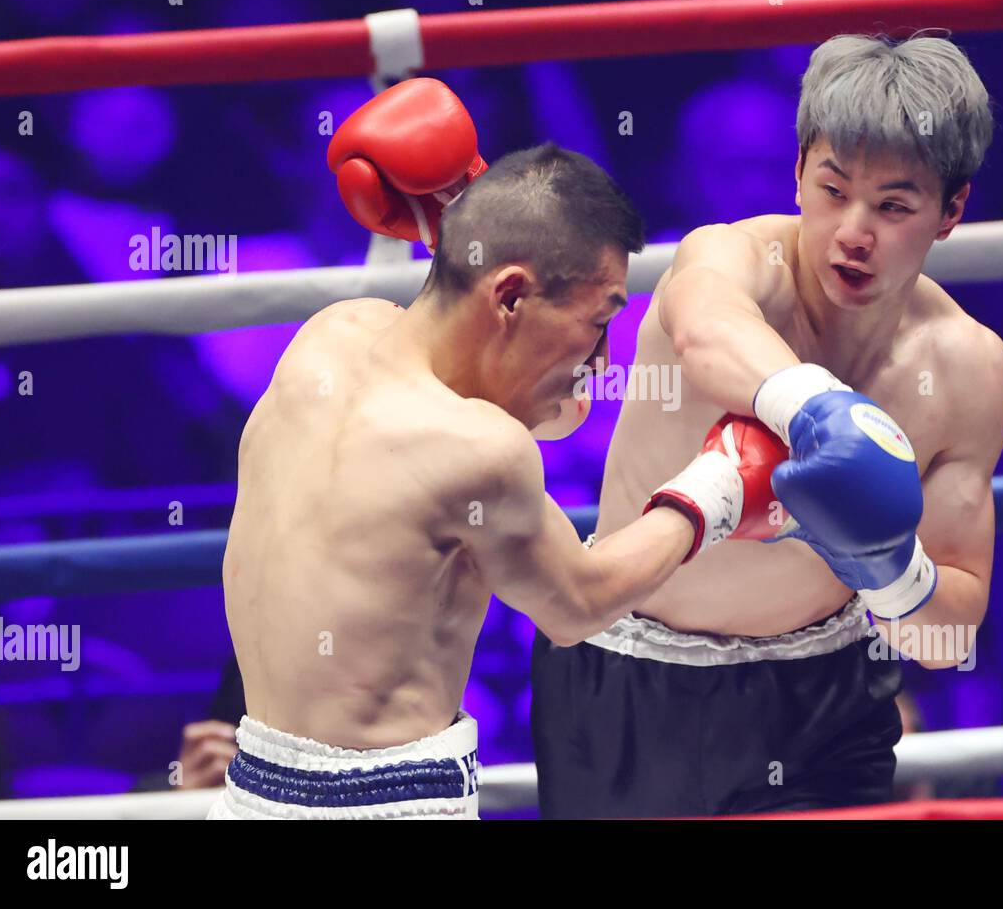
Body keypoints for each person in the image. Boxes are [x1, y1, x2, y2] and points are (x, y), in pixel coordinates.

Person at [209, 80, 795, 819]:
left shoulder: (332, 334)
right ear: (511, 297)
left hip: (251, 791)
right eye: (598, 321)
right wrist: (721, 485)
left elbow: (479, 383)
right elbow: (579, 605)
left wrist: (476, 226)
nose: (603, 357)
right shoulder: (480, 452)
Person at [532, 32, 1003, 818]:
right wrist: (827, 416)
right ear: (797, 173)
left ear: (951, 210)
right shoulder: (728, 261)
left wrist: (886, 567)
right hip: (629, 681)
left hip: (824, 694)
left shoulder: (965, 369)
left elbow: (946, 638)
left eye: (893, 206)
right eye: (833, 190)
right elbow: (704, 328)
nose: (854, 230)